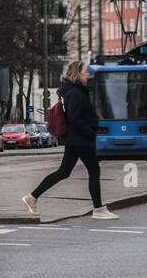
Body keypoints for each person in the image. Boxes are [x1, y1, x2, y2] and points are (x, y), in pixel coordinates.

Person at [21, 61, 118, 220]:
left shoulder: (76, 91)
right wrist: (91, 133)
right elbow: (75, 118)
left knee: (64, 172)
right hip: (80, 139)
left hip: (74, 139)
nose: (88, 74)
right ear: (77, 74)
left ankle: (32, 197)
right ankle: (99, 209)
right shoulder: (75, 93)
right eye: (86, 71)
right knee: (94, 170)